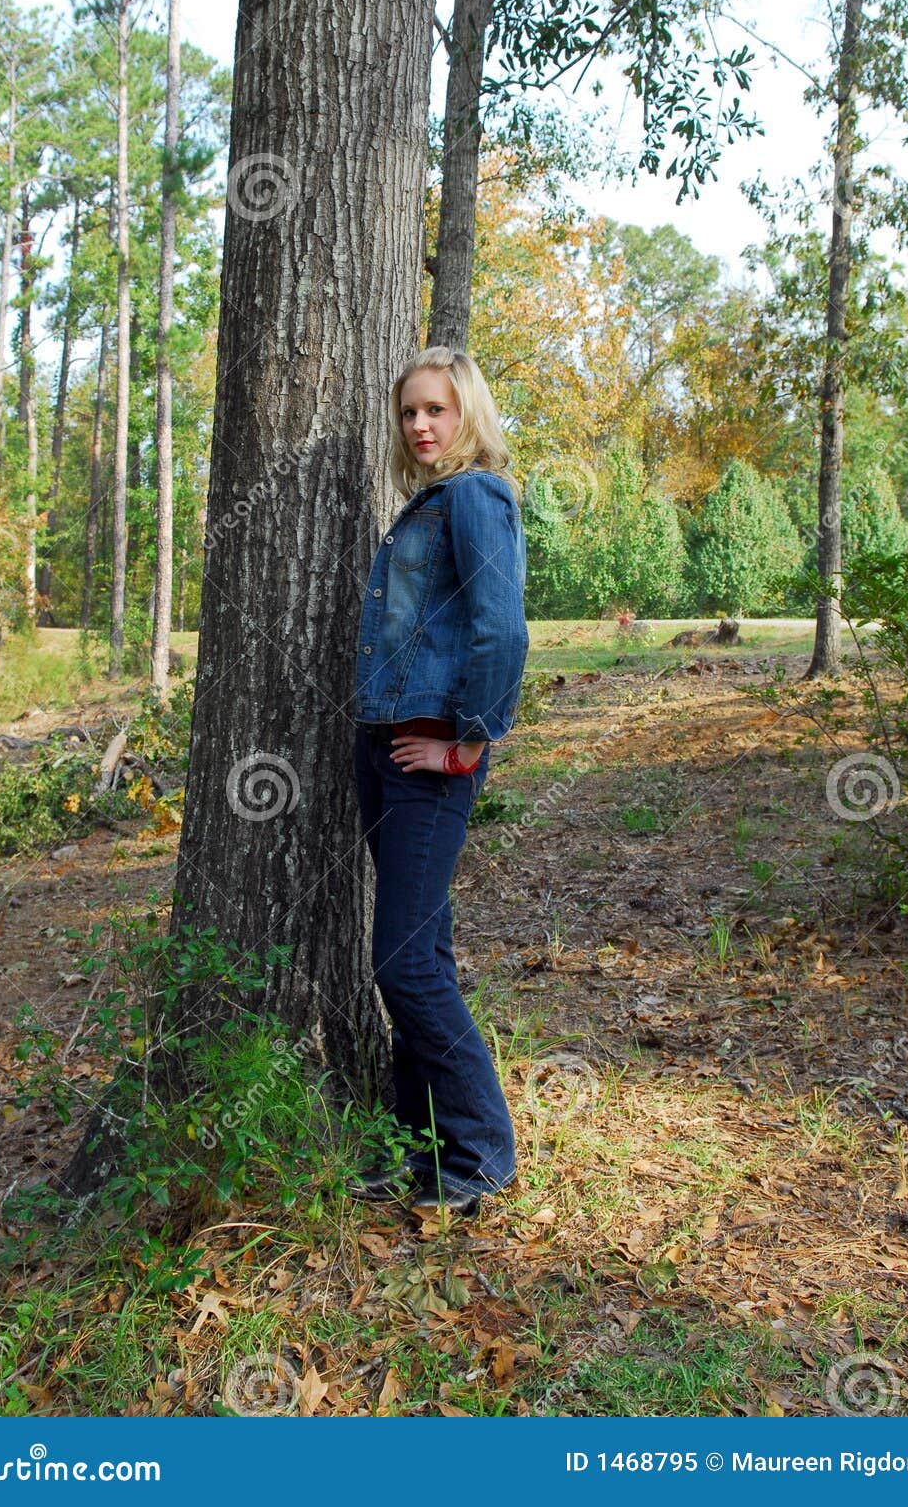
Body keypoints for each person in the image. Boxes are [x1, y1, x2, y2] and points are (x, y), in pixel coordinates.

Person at [350, 346, 530, 1220]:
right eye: (410, 413)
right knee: (424, 952)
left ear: (468, 415)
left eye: (437, 410)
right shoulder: (429, 501)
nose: (421, 426)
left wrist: (467, 743)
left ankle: (482, 1150)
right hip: (385, 747)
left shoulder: (473, 495)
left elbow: (502, 632)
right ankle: (417, 1149)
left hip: (429, 752)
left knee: (402, 964)